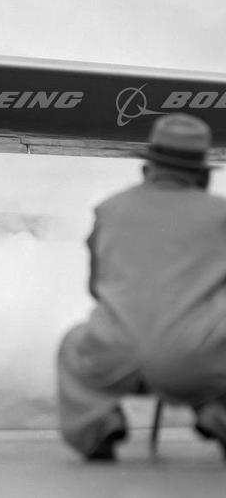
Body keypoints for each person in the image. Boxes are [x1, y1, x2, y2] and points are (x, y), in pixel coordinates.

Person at [58, 113, 226, 461]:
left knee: (73, 344)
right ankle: (216, 414)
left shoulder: (109, 210)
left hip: (114, 355)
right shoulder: (220, 215)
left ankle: (98, 425)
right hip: (197, 360)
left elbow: (95, 287)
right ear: (203, 174)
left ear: (147, 168)